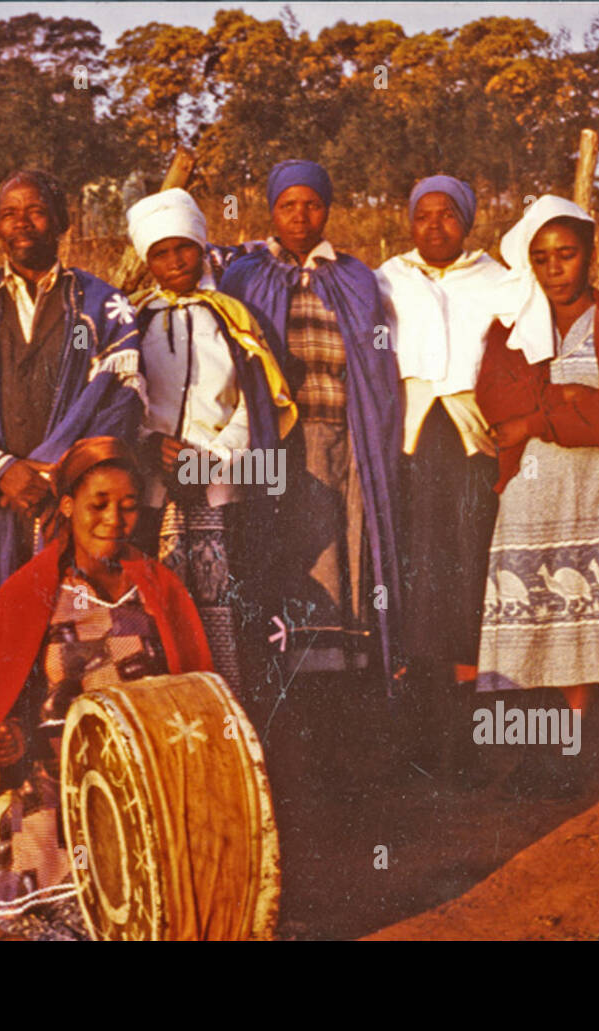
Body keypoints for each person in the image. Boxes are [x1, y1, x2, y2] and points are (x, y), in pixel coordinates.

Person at [0, 170, 144, 796]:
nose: (22, 224)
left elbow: (119, 400)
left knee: (69, 642)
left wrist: (51, 472)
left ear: (63, 220)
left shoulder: (104, 306)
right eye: (9, 212)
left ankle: (69, 787)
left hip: (66, 509)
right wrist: (3, 471)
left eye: (36, 211)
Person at [0, 437, 213, 939]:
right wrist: (13, 742)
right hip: (59, 771)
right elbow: (2, 699)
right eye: (99, 504)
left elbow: (193, 689)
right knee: (48, 823)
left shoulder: (159, 587)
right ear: (67, 506)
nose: (114, 518)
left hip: (148, 771)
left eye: (129, 506)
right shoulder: (29, 593)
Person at [475, 195, 599, 798]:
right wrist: (561, 402)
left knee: (583, 616)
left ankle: (575, 743)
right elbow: (496, 404)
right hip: (532, 483)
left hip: (597, 484)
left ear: (590, 255)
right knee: (530, 608)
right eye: (541, 259)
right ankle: (527, 748)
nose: (554, 269)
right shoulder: (511, 328)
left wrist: (537, 418)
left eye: (566, 255)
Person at [218, 159, 403, 685]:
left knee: (337, 543)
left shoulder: (355, 277)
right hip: (274, 440)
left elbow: (375, 364)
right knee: (280, 544)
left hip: (342, 431)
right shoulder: (245, 275)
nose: (300, 216)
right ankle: (279, 668)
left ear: (327, 210)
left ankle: (333, 669)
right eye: (287, 205)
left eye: (312, 204)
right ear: (272, 211)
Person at [126, 187, 296, 695]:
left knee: (231, 613)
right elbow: (120, 397)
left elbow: (259, 400)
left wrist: (213, 459)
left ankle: (232, 721)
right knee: (156, 609)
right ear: (146, 260)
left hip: (225, 488)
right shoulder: (133, 321)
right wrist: (148, 446)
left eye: (184, 247)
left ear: (202, 247)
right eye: (160, 252)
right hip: (152, 491)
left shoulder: (232, 317)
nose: (175, 260)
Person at [374, 174, 508, 780]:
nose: (434, 226)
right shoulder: (385, 278)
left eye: (447, 215)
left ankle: (468, 736)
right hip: (409, 441)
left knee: (469, 575)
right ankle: (420, 731)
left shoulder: (501, 280)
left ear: (468, 221)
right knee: (416, 576)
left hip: (472, 441)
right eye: (423, 215)